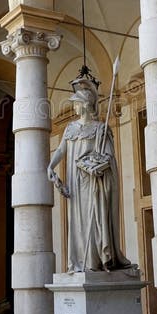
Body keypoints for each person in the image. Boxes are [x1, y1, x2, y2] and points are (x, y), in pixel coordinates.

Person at [47, 72, 132, 272]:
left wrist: (99, 165)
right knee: (77, 222)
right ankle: (79, 262)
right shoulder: (70, 128)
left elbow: (109, 157)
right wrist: (50, 165)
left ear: (85, 104)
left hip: (94, 183)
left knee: (93, 222)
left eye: (76, 102)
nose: (74, 106)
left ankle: (94, 261)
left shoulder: (100, 130)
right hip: (75, 182)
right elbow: (61, 150)